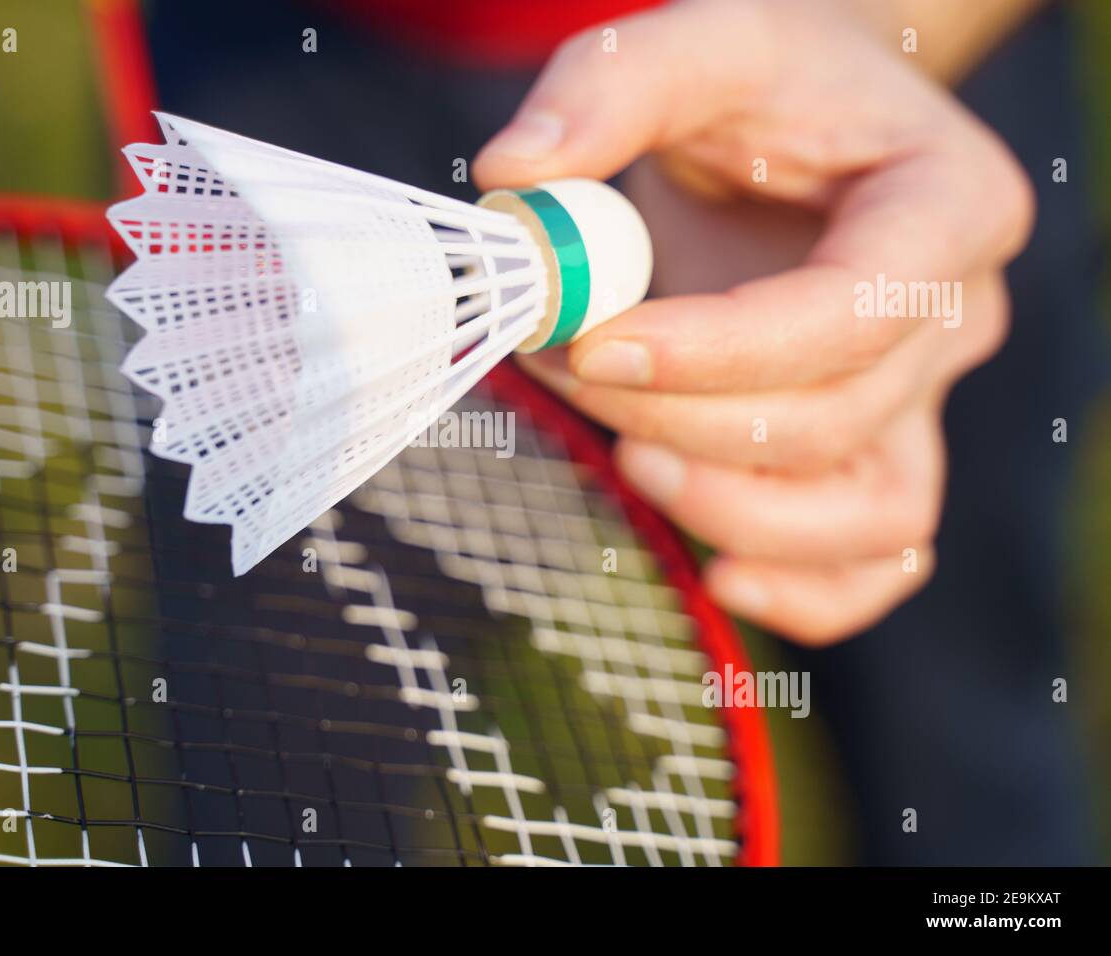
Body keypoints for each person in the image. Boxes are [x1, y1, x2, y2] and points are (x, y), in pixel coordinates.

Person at [149, 0, 1105, 862]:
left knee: (962, 759)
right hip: (301, 65)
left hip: (879, 98)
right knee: (287, 777)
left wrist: (870, 27)